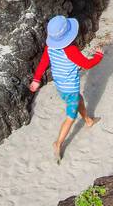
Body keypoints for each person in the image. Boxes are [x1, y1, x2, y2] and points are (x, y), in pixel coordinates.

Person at [29, 14, 102, 162]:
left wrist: (36, 80)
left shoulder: (50, 47)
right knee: (70, 117)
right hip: (70, 89)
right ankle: (58, 143)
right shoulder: (71, 50)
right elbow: (87, 64)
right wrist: (99, 56)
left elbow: (43, 63)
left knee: (79, 99)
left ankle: (88, 120)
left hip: (60, 86)